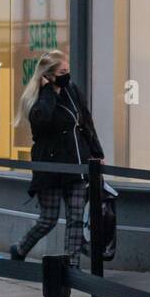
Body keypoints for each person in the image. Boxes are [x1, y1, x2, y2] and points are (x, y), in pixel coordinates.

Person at [8, 50, 104, 265]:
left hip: (76, 162)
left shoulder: (72, 91)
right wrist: (50, 91)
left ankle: (72, 264)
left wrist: (97, 153)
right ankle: (20, 249)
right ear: (48, 74)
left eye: (67, 70)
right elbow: (42, 122)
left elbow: (86, 121)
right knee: (48, 219)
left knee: (76, 219)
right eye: (62, 71)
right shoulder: (38, 97)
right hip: (50, 165)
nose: (66, 75)